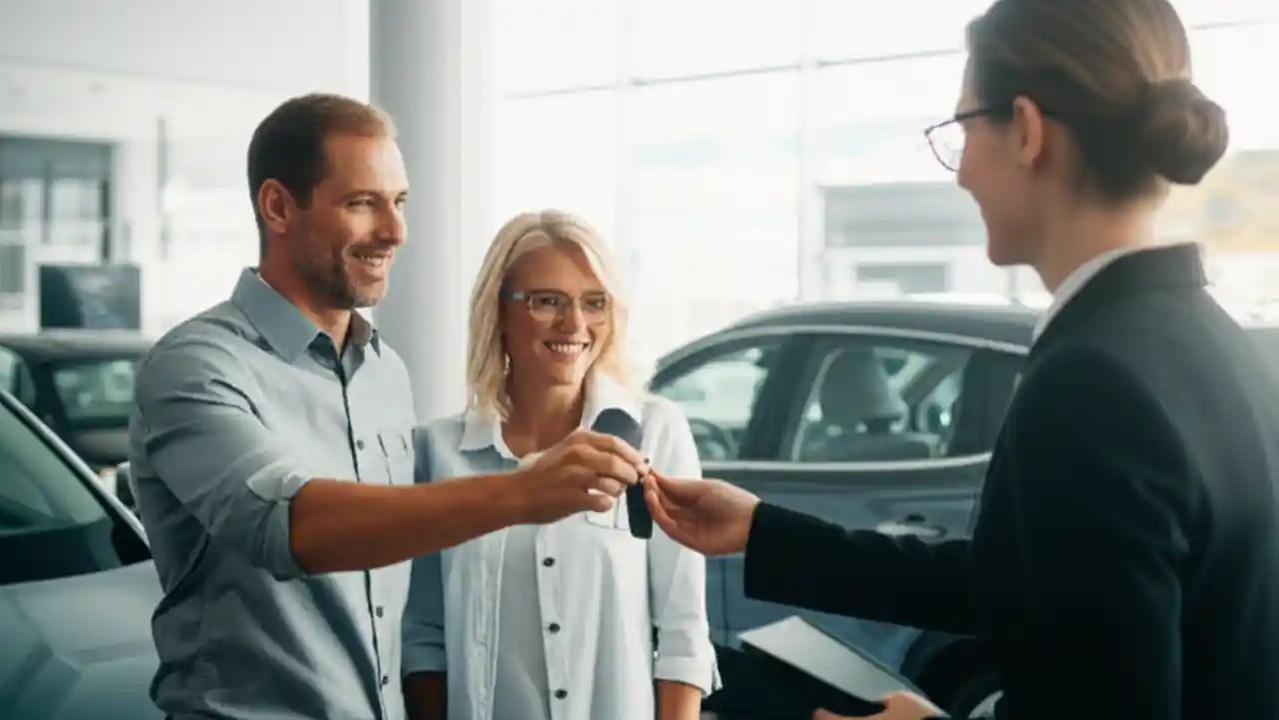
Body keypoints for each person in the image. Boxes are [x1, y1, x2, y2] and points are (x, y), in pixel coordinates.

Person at [642, 1, 1279, 719]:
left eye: (962, 129)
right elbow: (1034, 584)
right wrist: (763, 531)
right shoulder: (1222, 347)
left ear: (1028, 132)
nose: (961, 174)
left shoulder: (1092, 384)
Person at [127, 96, 647, 720]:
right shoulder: (196, 365)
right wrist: (523, 492)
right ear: (277, 206)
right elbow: (291, 526)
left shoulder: (385, 373)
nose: (395, 232)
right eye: (362, 203)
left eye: (398, 203)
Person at [401, 210, 719, 720]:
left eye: (594, 303)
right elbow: (422, 637)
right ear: (499, 311)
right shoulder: (435, 453)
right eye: (547, 301)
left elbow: (684, 633)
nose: (575, 324)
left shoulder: (655, 434)